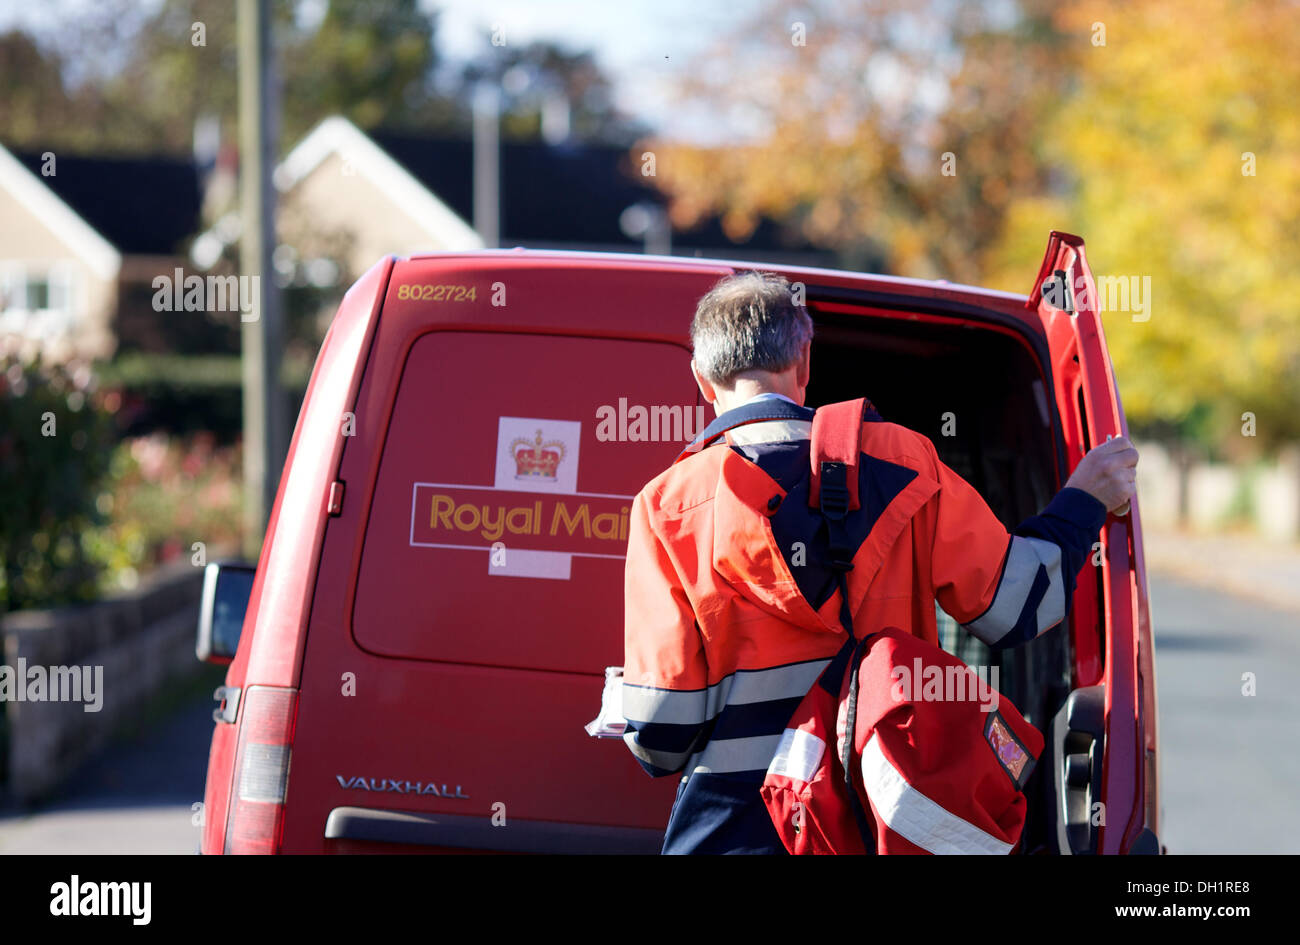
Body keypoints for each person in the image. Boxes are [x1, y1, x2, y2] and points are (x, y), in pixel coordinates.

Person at [621, 270, 1139, 855]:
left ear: (702, 380)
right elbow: (1020, 605)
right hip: (878, 819)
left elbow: (662, 735)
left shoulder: (666, 505)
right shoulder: (904, 460)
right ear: (804, 362)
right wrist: (1084, 501)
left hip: (735, 832)